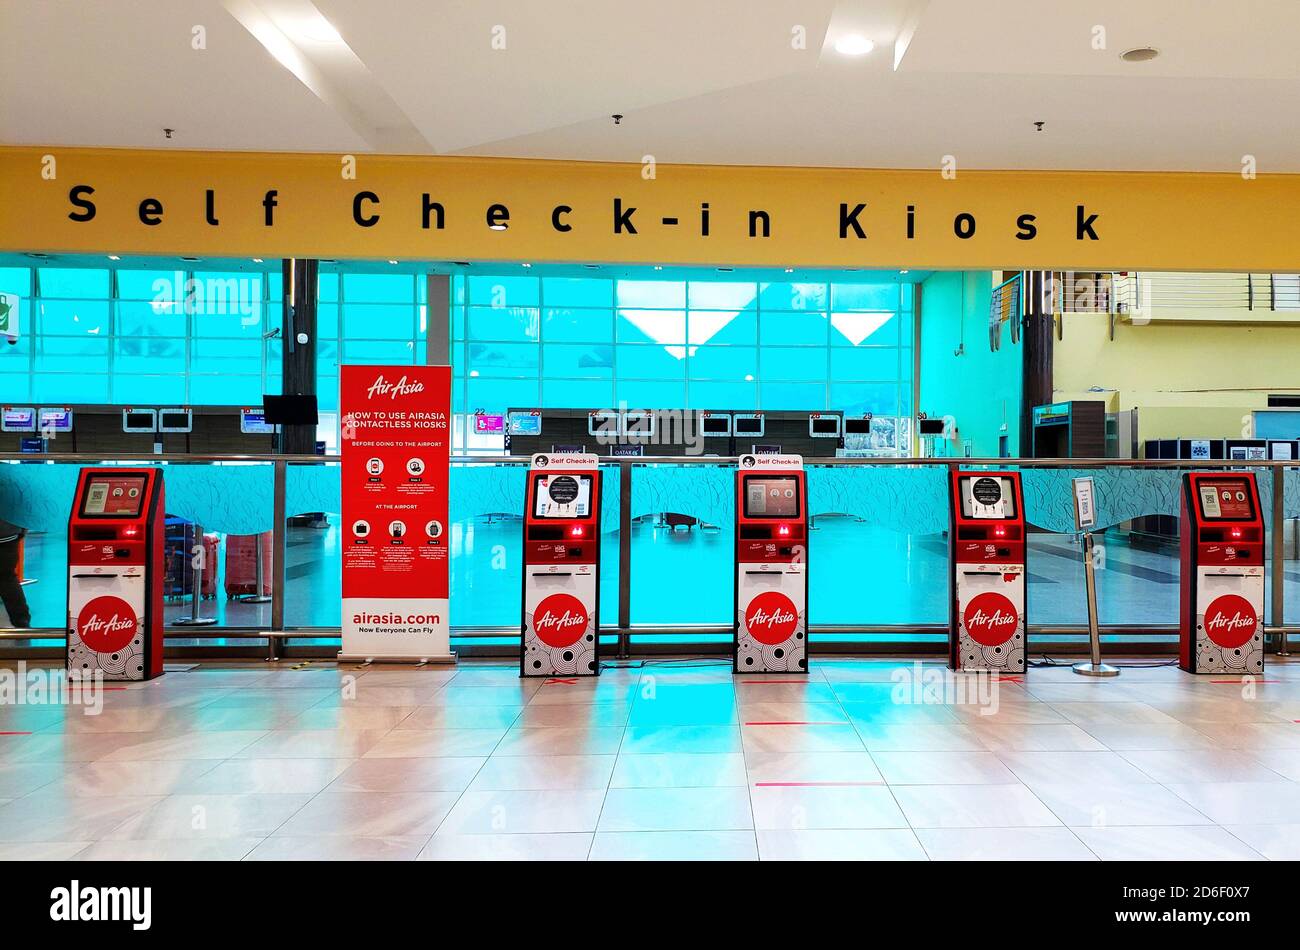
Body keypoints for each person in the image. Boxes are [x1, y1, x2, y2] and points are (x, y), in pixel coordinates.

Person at [0, 517, 31, 628]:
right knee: (7, 579)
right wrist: (22, 530)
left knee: (7, 579)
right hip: (8, 534)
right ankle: (21, 622)